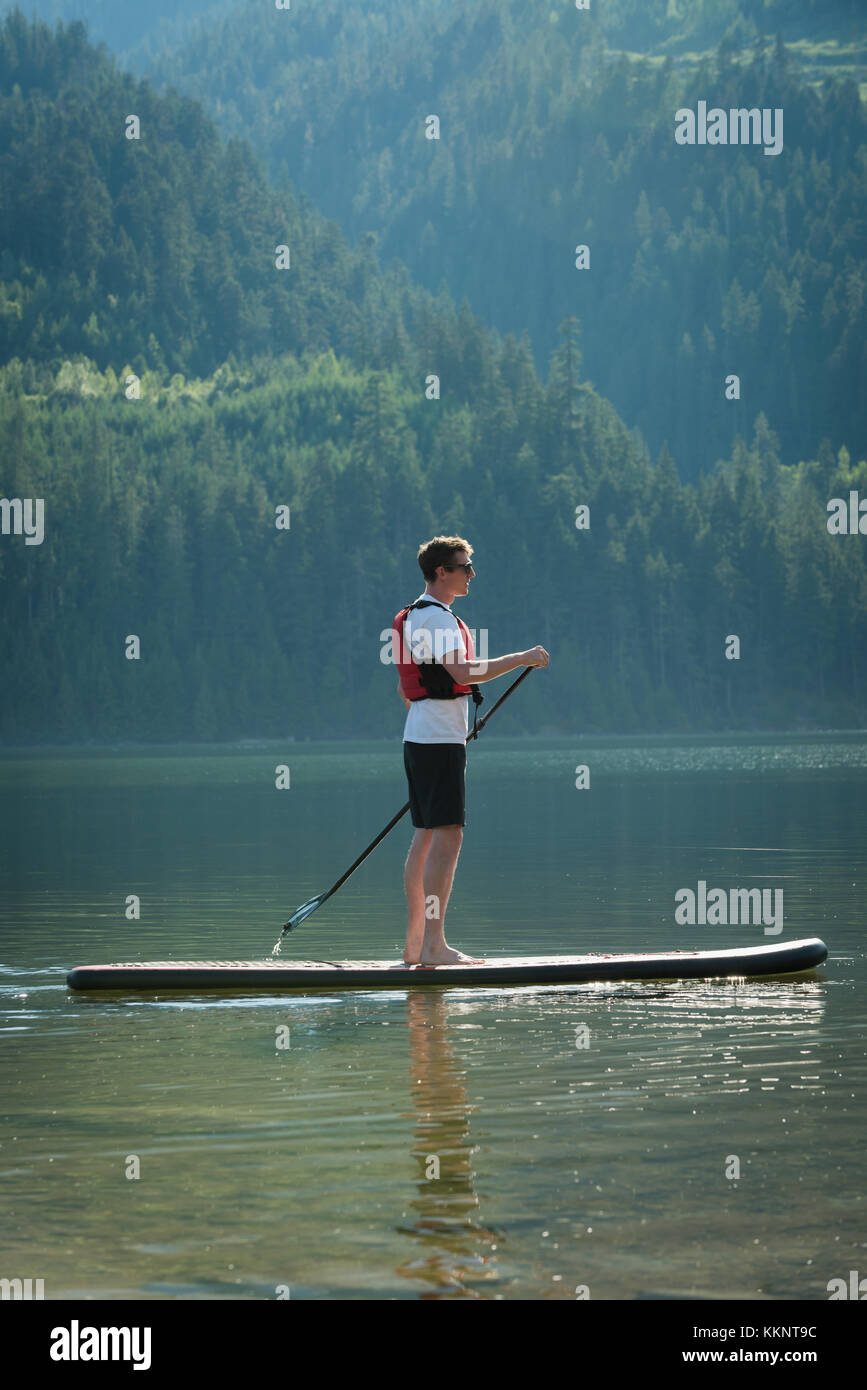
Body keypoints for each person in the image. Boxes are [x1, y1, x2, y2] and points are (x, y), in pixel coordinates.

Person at [393, 535, 549, 966]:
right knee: (447, 838)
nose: (471, 574)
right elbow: (461, 671)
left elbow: (410, 692)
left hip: (422, 737)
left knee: (425, 836)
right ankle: (434, 946)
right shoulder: (438, 620)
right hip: (437, 742)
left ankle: (415, 946)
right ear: (441, 571)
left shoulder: (415, 617)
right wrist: (521, 658)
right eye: (464, 567)